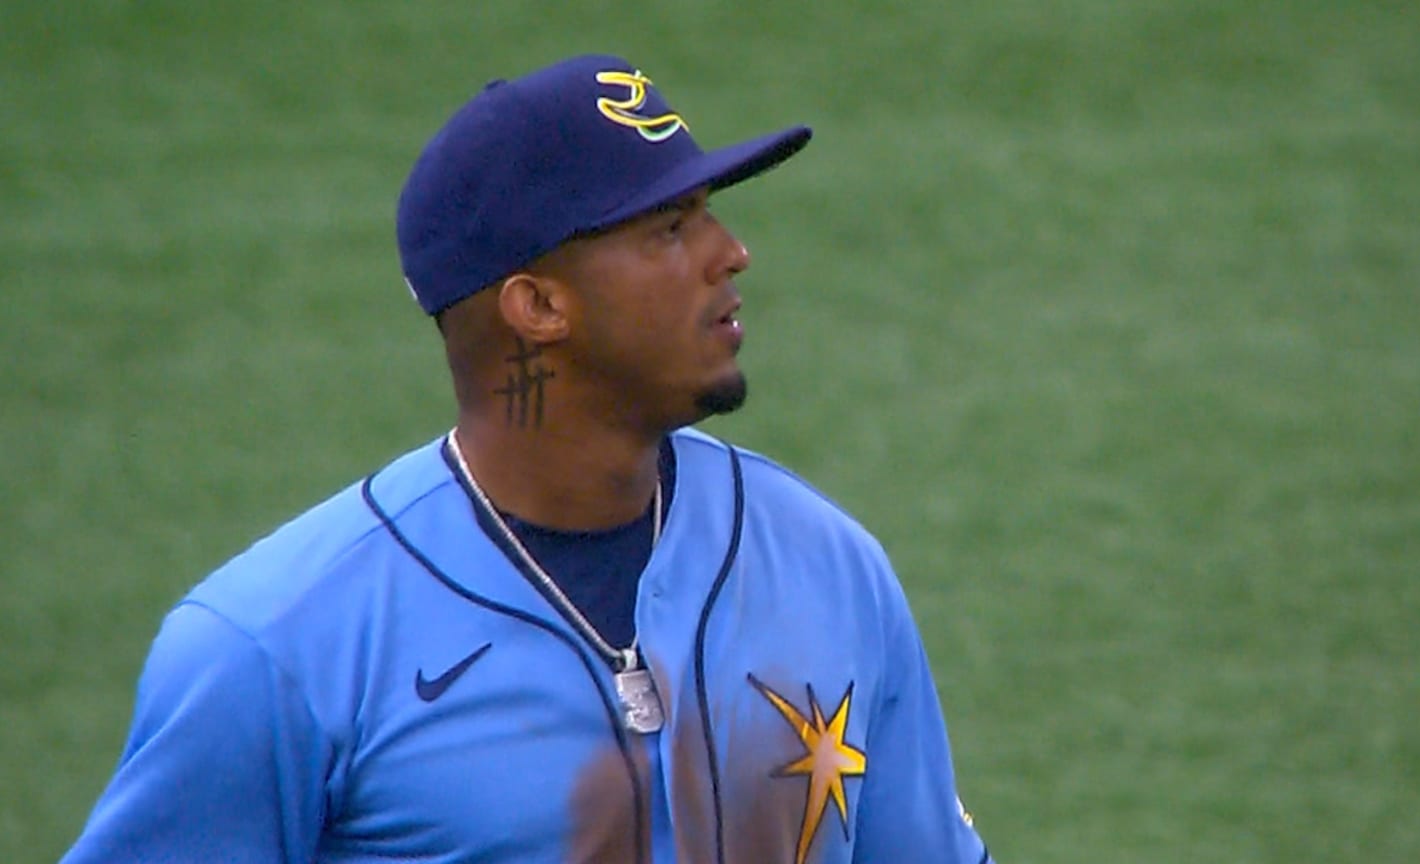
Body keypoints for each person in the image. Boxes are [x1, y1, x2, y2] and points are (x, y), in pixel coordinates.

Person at [63, 54, 993, 864]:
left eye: (709, 214)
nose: (732, 253)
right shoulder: (276, 648)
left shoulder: (826, 565)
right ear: (537, 307)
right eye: (669, 229)